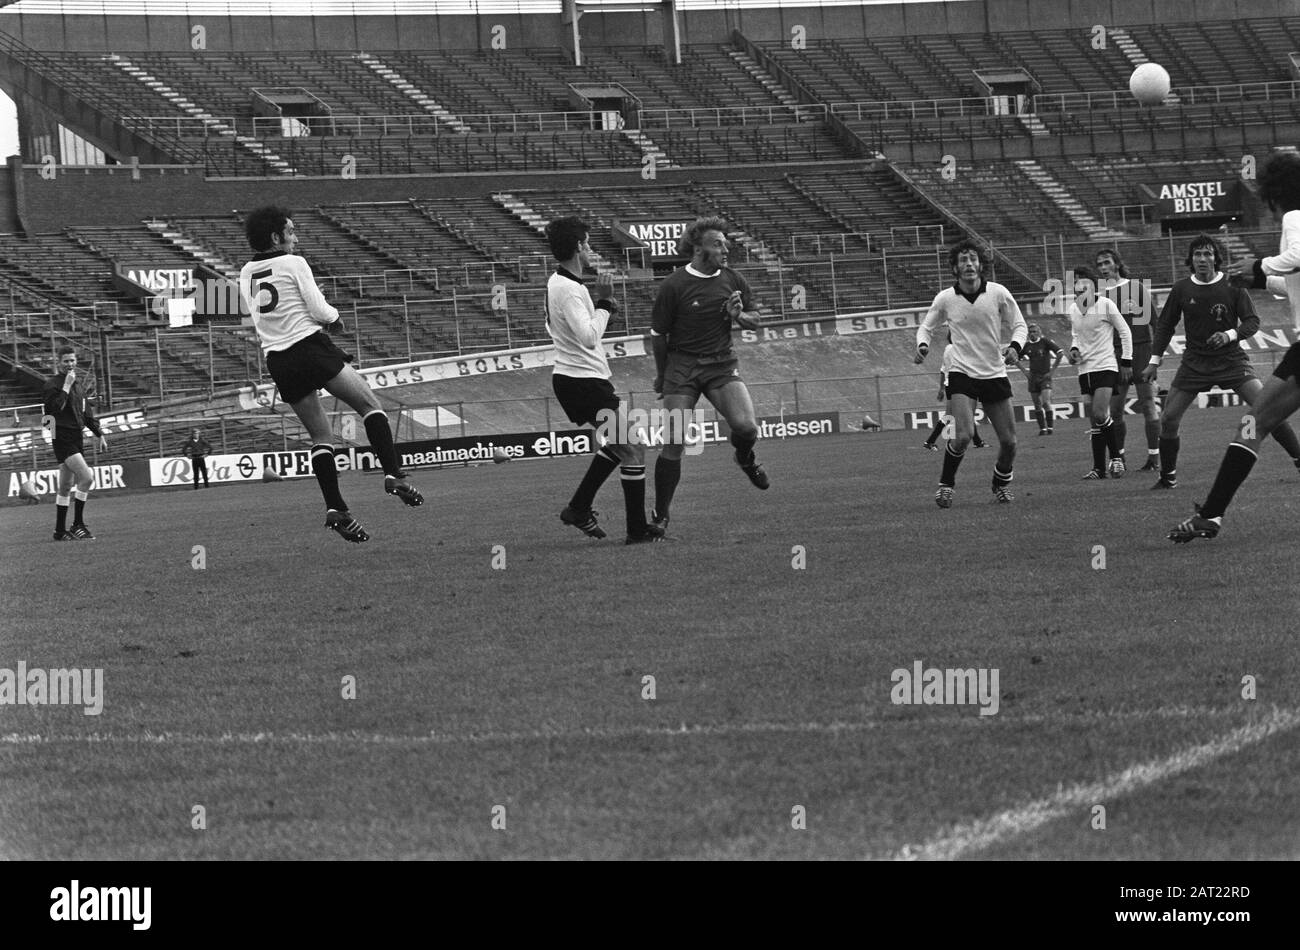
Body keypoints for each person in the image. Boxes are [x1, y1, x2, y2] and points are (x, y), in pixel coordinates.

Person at [239, 205, 423, 543]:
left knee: (321, 438)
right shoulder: (293, 263)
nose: (295, 238)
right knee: (370, 405)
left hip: (278, 360)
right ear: (276, 237)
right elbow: (317, 308)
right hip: (310, 347)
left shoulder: (245, 272)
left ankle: (336, 507)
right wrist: (336, 319)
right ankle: (393, 474)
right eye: (290, 232)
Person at [1169, 151, 1300, 542]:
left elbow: (1296, 258)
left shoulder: (1295, 217)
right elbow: (1293, 279)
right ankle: (1210, 514)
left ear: (1275, 193)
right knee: (1256, 423)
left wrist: (1260, 266)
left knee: (1252, 424)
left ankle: (1211, 515)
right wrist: (1260, 280)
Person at [1139, 234, 1300, 490]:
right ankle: (1168, 476)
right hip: (1194, 363)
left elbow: (1252, 322)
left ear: (1216, 258)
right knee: (1169, 419)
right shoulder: (1181, 288)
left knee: (1267, 408)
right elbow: (1165, 325)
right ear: (1190, 260)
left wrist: (1228, 334)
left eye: (1208, 254)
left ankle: (1298, 458)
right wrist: (1154, 361)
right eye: (1198, 254)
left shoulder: (1233, 285)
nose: (1203, 259)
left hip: (1232, 361)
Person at [544, 216, 664, 544]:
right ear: (577, 247)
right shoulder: (571, 289)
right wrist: (605, 303)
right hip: (583, 382)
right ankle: (636, 531)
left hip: (579, 379)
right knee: (634, 447)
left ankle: (579, 508)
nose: (589, 247)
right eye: (586, 242)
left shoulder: (557, 283)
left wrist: (598, 308)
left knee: (623, 445)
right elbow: (588, 337)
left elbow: (555, 329)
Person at [650, 216, 768, 530]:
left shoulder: (733, 279)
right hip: (682, 367)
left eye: (725, 243)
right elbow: (658, 336)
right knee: (674, 439)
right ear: (698, 248)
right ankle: (661, 517)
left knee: (746, 428)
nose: (725, 248)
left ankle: (744, 458)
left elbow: (756, 320)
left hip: (721, 365)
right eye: (717, 244)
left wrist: (739, 315)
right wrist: (663, 376)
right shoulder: (673, 285)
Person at [915, 239, 1028, 507]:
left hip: (994, 372)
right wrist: (922, 345)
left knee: (1010, 442)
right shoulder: (945, 298)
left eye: (973, 259)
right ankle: (946, 485)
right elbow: (926, 327)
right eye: (963, 260)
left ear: (980, 264)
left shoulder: (998, 293)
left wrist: (1015, 347)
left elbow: (1019, 325)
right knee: (963, 435)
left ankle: (1000, 484)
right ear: (954, 268)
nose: (969, 264)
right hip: (962, 372)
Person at [1096, 248, 1160, 475]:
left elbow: (1156, 323)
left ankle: (1154, 457)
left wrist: (1156, 357)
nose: (1103, 268)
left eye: (1106, 263)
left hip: (1142, 353)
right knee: (1114, 412)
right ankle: (1119, 456)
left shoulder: (1136, 289)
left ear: (1117, 264)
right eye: (1099, 265)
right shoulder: (1099, 295)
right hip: (1114, 355)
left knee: (1148, 405)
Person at [1065, 266, 1132, 479]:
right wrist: (1074, 349)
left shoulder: (1105, 304)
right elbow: (1076, 335)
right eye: (1075, 281)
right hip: (1085, 369)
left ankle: (1116, 459)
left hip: (1105, 365)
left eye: (1083, 280)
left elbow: (1125, 331)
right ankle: (1098, 469)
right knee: (1094, 421)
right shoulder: (1074, 308)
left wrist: (1126, 361)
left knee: (1101, 413)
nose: (1079, 284)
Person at [42, 346, 107, 540]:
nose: (70, 364)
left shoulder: (78, 385)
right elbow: (52, 411)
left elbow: (86, 414)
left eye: (72, 360)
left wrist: (99, 434)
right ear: (58, 362)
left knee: (65, 485)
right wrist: (66, 386)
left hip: (76, 436)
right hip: (61, 437)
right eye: (66, 361)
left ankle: (60, 531)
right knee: (87, 477)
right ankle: (78, 524)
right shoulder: (52, 385)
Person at [923, 341, 987, 450]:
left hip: (950, 384)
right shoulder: (960, 349)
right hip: (960, 384)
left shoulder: (948, 349)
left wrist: (942, 388)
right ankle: (929, 442)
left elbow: (943, 370)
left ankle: (977, 441)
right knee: (956, 415)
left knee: (956, 415)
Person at [1015, 323, 1063, 435]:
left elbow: (1060, 353)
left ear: (1039, 332)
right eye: (1030, 332)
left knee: (1045, 402)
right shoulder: (1026, 346)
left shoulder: (1045, 342)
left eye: (1034, 331)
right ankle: (1043, 429)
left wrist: (1052, 371)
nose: (1032, 334)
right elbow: (1015, 358)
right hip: (1032, 378)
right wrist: (1024, 371)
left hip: (1045, 376)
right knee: (1037, 404)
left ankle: (1050, 427)